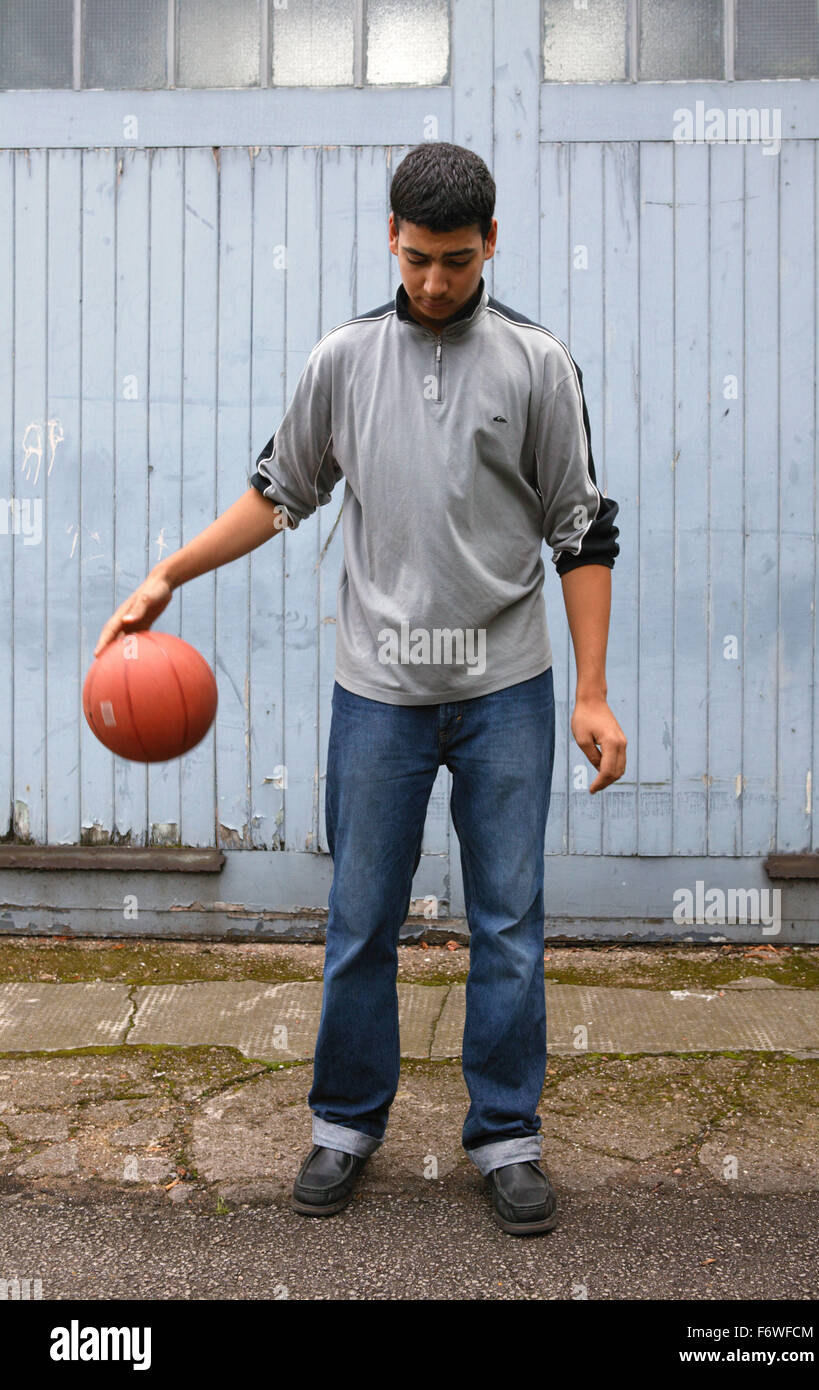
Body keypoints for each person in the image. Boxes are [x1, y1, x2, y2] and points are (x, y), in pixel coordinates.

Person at [94, 141, 627, 1237]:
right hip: (377, 693)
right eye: (421, 256)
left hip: (507, 690)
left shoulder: (537, 363)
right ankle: (343, 1122)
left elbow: (583, 529)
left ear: (491, 246)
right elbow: (277, 491)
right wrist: (167, 574)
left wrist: (593, 691)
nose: (436, 280)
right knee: (359, 919)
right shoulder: (343, 360)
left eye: (459, 260)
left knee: (511, 920)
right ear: (391, 237)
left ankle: (508, 1136)